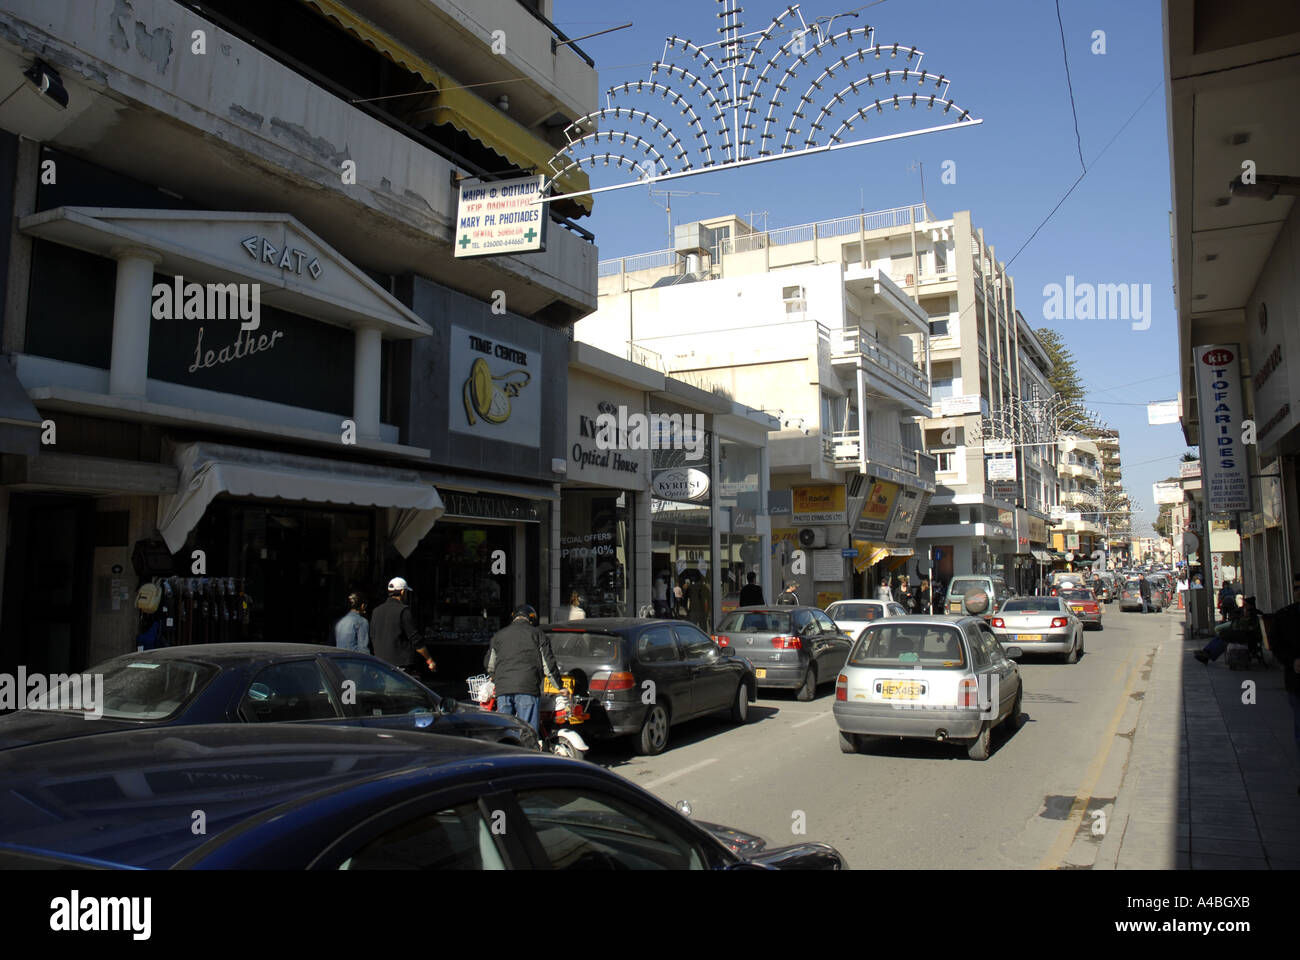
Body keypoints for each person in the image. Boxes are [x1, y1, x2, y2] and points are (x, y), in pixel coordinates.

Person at [486, 603, 564, 735]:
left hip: (503, 690)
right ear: (532, 618)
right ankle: (527, 753)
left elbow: (489, 665)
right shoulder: (537, 634)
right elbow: (548, 665)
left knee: (506, 732)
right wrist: (560, 687)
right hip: (527, 688)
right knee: (527, 733)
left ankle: (507, 753)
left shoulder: (499, 635)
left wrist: (495, 676)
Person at [1261, 576, 1300, 790]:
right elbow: (1275, 645)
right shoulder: (1285, 616)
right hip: (1296, 682)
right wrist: (1291, 661)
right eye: (1296, 588)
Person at [370, 577, 435, 675]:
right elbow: (415, 639)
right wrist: (429, 659)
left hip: (380, 665)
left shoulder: (376, 611)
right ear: (403, 592)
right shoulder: (403, 611)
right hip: (399, 666)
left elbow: (372, 636)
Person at [1195, 595, 1260, 664]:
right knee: (1221, 635)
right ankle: (1206, 651)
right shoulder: (1245, 611)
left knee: (1225, 639)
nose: (1244, 606)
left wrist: (1244, 617)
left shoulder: (1253, 614)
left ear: (1250, 605)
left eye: (1246, 604)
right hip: (1242, 633)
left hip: (1248, 636)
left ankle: (1208, 655)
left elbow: (1248, 627)